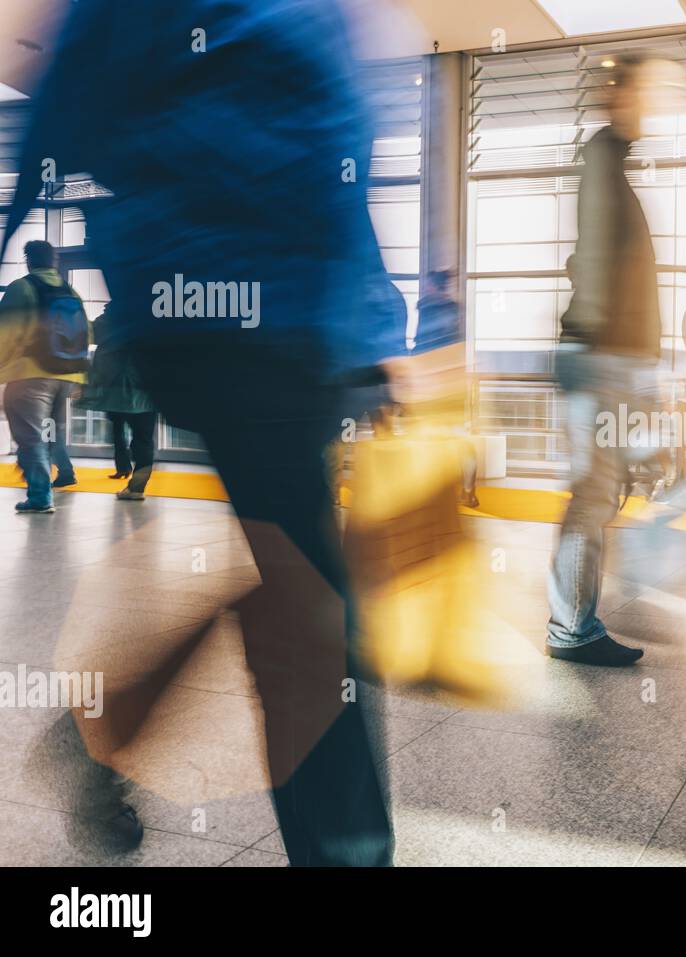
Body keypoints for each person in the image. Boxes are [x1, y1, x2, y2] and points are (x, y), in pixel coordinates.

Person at [4, 0, 410, 864]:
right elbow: (330, 134)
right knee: (309, 597)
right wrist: (373, 328)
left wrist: (370, 331)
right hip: (248, 320)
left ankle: (103, 731)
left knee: (294, 577)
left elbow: (66, 104)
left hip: (239, 315)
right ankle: (345, 845)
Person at [546, 55, 667, 667]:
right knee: (591, 497)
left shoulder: (612, 163)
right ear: (618, 96)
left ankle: (574, 619)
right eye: (646, 92)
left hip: (612, 358)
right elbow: (591, 260)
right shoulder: (602, 159)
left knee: (599, 494)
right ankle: (571, 628)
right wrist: (603, 351)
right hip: (600, 356)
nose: (653, 105)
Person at [0, 240, 89, 513]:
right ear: (54, 262)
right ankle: (48, 481)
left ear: (28, 260)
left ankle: (40, 496)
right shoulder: (71, 292)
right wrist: (79, 376)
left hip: (30, 377)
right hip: (66, 376)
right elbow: (85, 333)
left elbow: (6, 334)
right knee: (50, 434)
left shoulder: (21, 288)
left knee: (30, 437)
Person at [79, 303, 158, 500]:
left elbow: (92, 333)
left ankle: (125, 471)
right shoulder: (157, 311)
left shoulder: (117, 313)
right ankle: (137, 488)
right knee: (144, 440)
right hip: (149, 388)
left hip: (121, 388)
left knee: (120, 429)